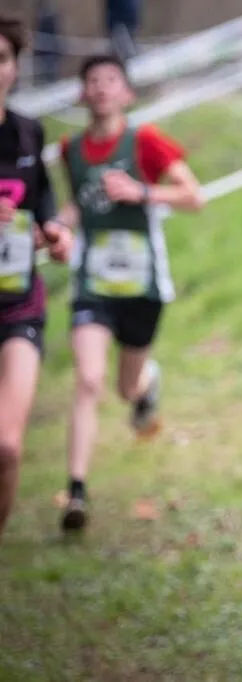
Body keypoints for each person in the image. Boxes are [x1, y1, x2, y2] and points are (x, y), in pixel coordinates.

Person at [51, 53, 204, 532]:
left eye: (109, 80)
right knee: (88, 379)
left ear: (126, 93)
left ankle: (146, 384)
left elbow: (193, 196)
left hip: (142, 286)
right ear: (81, 93)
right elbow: (77, 204)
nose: (100, 88)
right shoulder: (68, 150)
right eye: (91, 80)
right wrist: (54, 228)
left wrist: (143, 193)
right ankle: (76, 491)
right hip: (92, 284)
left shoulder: (146, 141)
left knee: (124, 386)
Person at [0, 13, 74, 542]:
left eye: (0, 59)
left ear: (14, 67)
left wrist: (54, 232)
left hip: (17, 301)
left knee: (6, 445)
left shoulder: (28, 131)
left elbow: (43, 201)